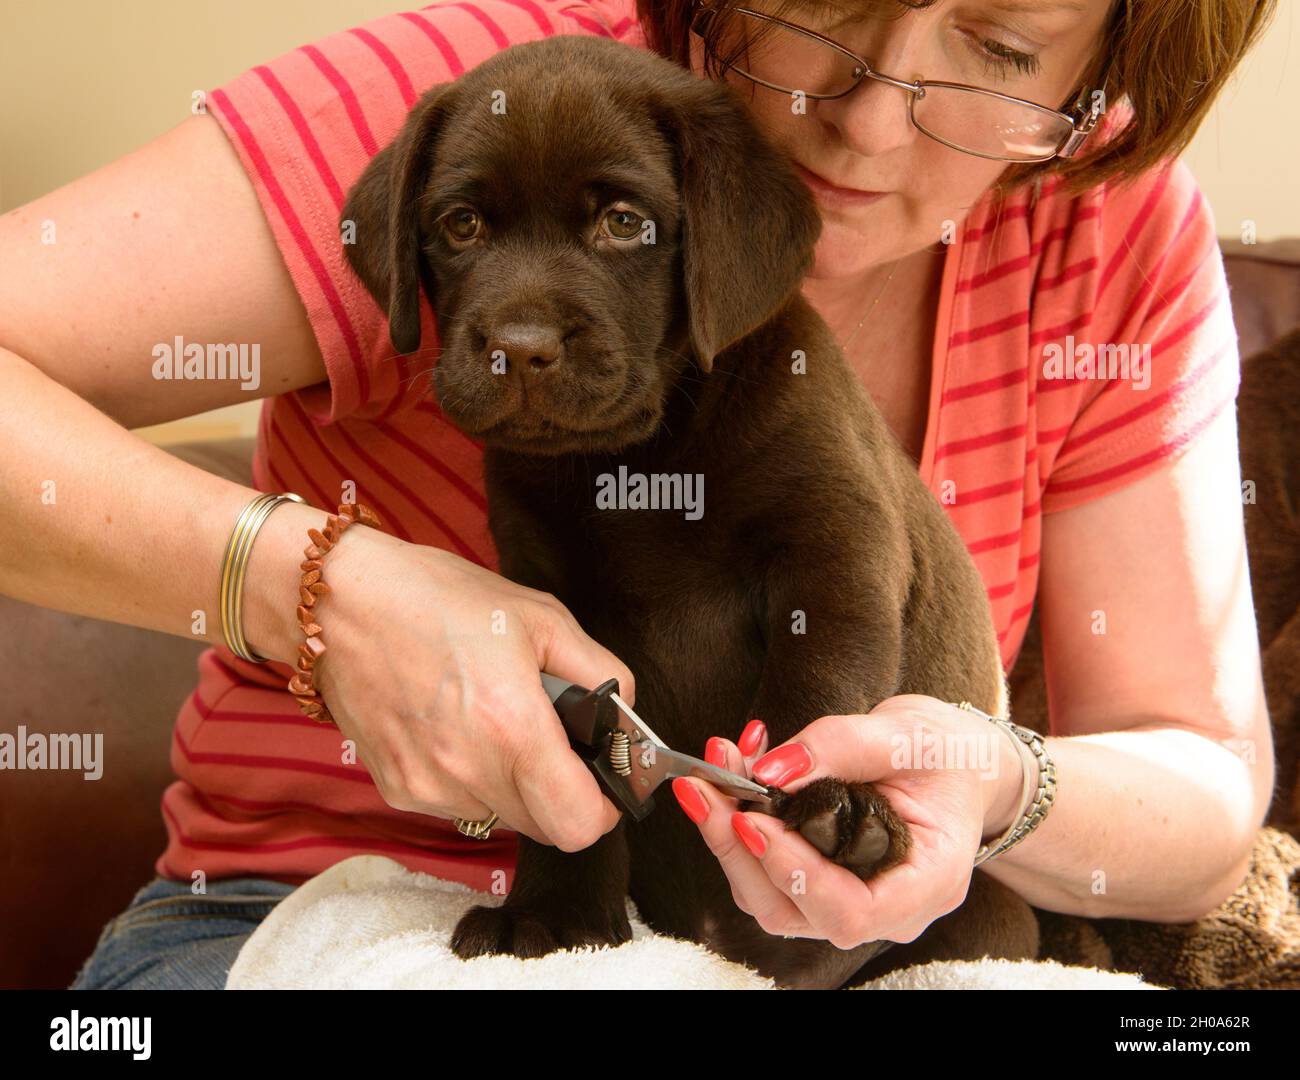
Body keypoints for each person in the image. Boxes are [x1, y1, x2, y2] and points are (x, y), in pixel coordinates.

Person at [0, 0, 1273, 989]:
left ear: (1107, 69)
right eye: (828, 9)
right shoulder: (475, 103)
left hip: (831, 931)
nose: (870, 120)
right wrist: (316, 585)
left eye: (996, 46)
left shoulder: (1108, 237)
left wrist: (993, 785)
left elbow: (1197, 779)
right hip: (311, 916)